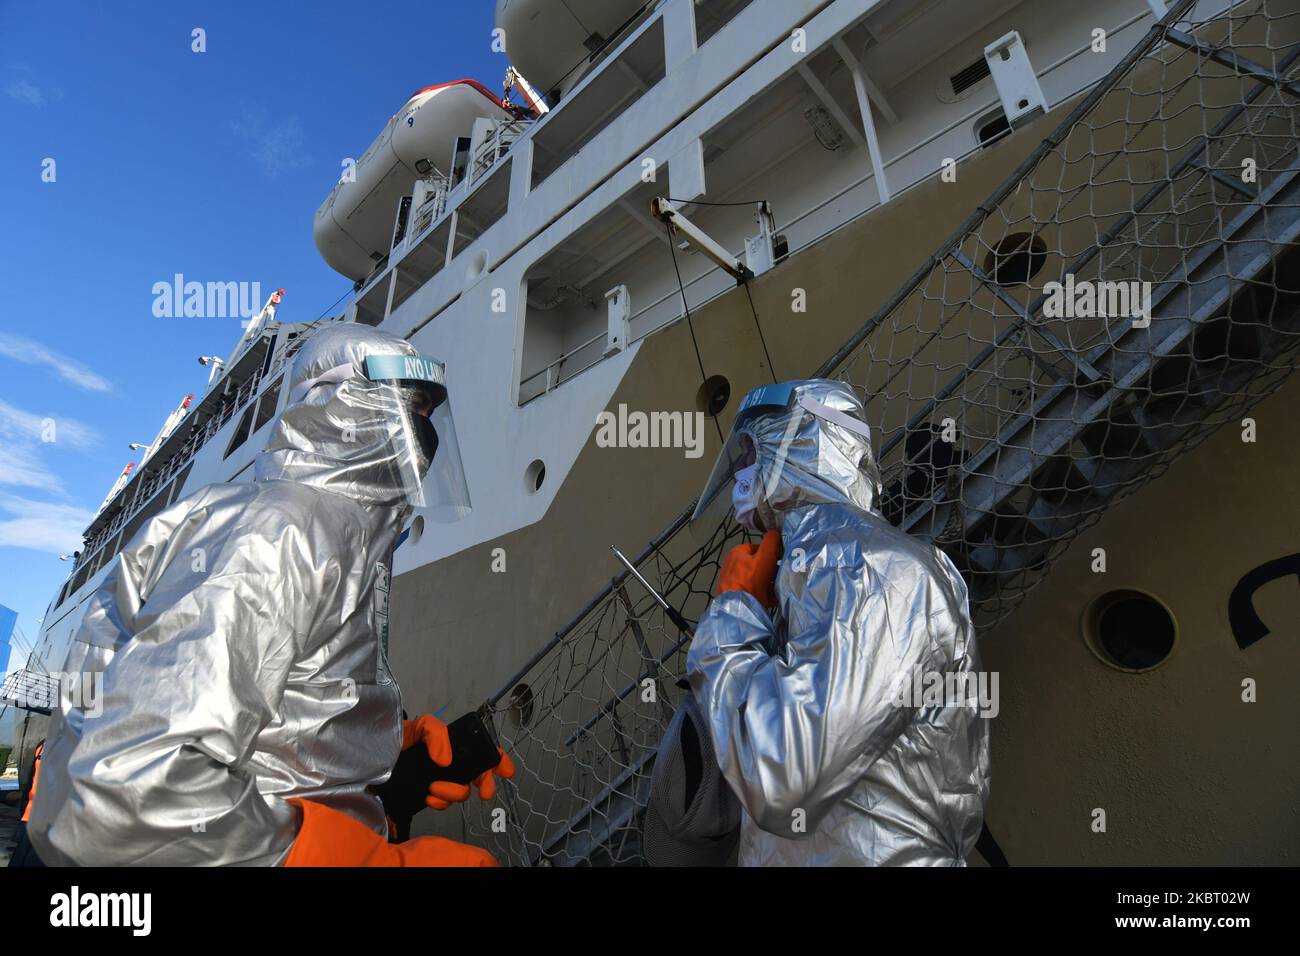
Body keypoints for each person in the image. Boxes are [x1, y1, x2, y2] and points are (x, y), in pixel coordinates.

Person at [28, 324, 512, 866]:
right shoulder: (283, 532)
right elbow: (130, 797)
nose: (420, 427)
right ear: (341, 405)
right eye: (408, 402)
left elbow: (281, 729)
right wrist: (373, 864)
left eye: (426, 409)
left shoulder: (342, 535)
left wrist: (383, 760)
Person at [686, 379, 990, 866]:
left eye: (750, 455)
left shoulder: (878, 570)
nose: (741, 476)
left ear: (804, 446)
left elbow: (783, 776)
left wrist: (730, 616)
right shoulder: (810, 577)